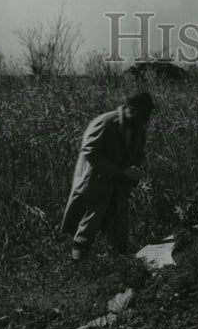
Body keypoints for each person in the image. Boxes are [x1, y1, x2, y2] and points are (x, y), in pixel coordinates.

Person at [61, 91, 154, 260]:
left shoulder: (139, 130)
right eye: (144, 113)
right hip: (97, 182)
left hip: (119, 185)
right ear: (132, 109)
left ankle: (117, 262)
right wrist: (118, 172)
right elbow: (89, 151)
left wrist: (136, 171)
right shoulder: (105, 122)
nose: (147, 118)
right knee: (89, 222)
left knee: (118, 222)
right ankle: (78, 263)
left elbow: (139, 155)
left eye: (148, 113)